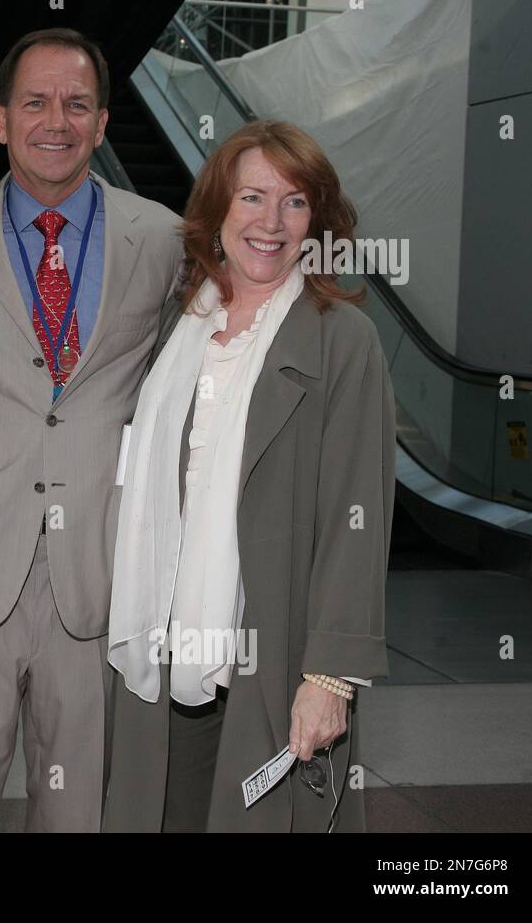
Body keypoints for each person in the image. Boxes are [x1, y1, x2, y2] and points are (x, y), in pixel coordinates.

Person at [0, 28, 184, 832]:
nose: (55, 120)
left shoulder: (162, 241)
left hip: (100, 578)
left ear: (100, 123)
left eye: (77, 103)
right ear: (1, 120)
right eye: (35, 101)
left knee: (83, 817)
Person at [103, 119, 395, 832]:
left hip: (274, 657)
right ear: (217, 210)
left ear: (317, 221)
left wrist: (329, 677)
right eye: (252, 198)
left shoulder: (340, 339)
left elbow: (357, 523)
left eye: (295, 203)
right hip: (164, 649)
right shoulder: (181, 325)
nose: (271, 222)